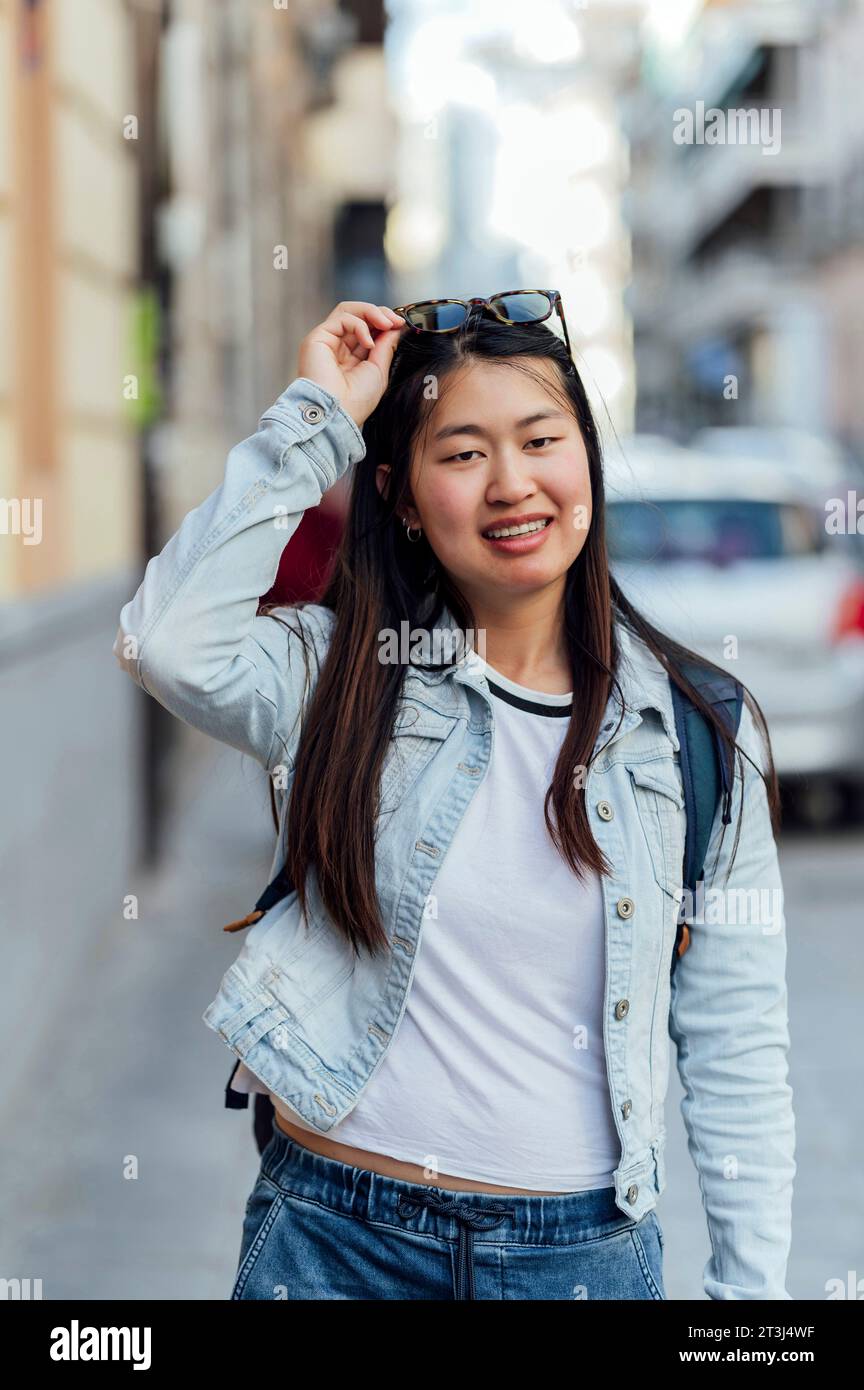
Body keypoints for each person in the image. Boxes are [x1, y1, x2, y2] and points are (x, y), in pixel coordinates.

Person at [113, 296, 796, 1301]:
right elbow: (168, 642)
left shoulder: (694, 728)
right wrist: (316, 418)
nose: (512, 484)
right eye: (464, 453)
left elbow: (739, 1044)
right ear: (400, 495)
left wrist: (753, 1310)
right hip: (338, 1241)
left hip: (584, 1259)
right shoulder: (338, 677)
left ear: (587, 465)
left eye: (540, 440)